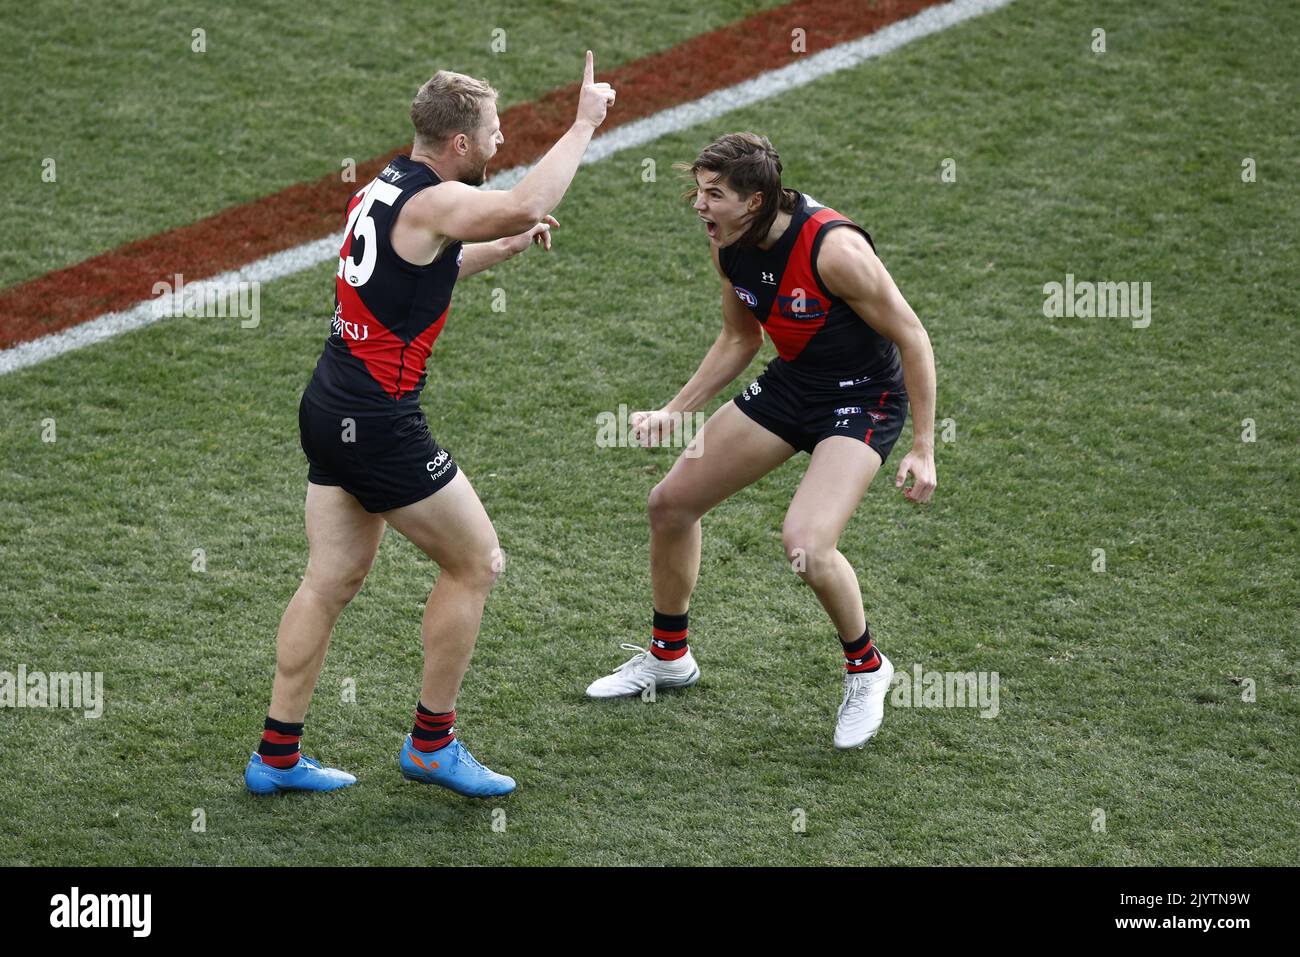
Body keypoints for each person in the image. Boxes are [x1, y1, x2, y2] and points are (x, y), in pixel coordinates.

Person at [245, 53, 616, 797]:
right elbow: (518, 201)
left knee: (329, 579)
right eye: (493, 132)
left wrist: (502, 247)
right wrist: (582, 124)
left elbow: (412, 270)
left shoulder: (386, 185)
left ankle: (275, 756)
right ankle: (431, 742)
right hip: (379, 422)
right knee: (476, 562)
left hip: (328, 406)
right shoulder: (438, 200)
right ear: (459, 147)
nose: (501, 141)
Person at [585, 132, 936, 750]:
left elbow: (913, 336)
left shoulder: (836, 252)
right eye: (698, 190)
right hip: (792, 386)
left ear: (755, 201)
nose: (699, 205)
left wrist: (923, 446)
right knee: (670, 504)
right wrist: (676, 411)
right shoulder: (730, 244)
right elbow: (739, 339)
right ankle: (670, 658)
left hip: (862, 399)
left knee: (806, 543)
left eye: (713, 194)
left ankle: (868, 669)